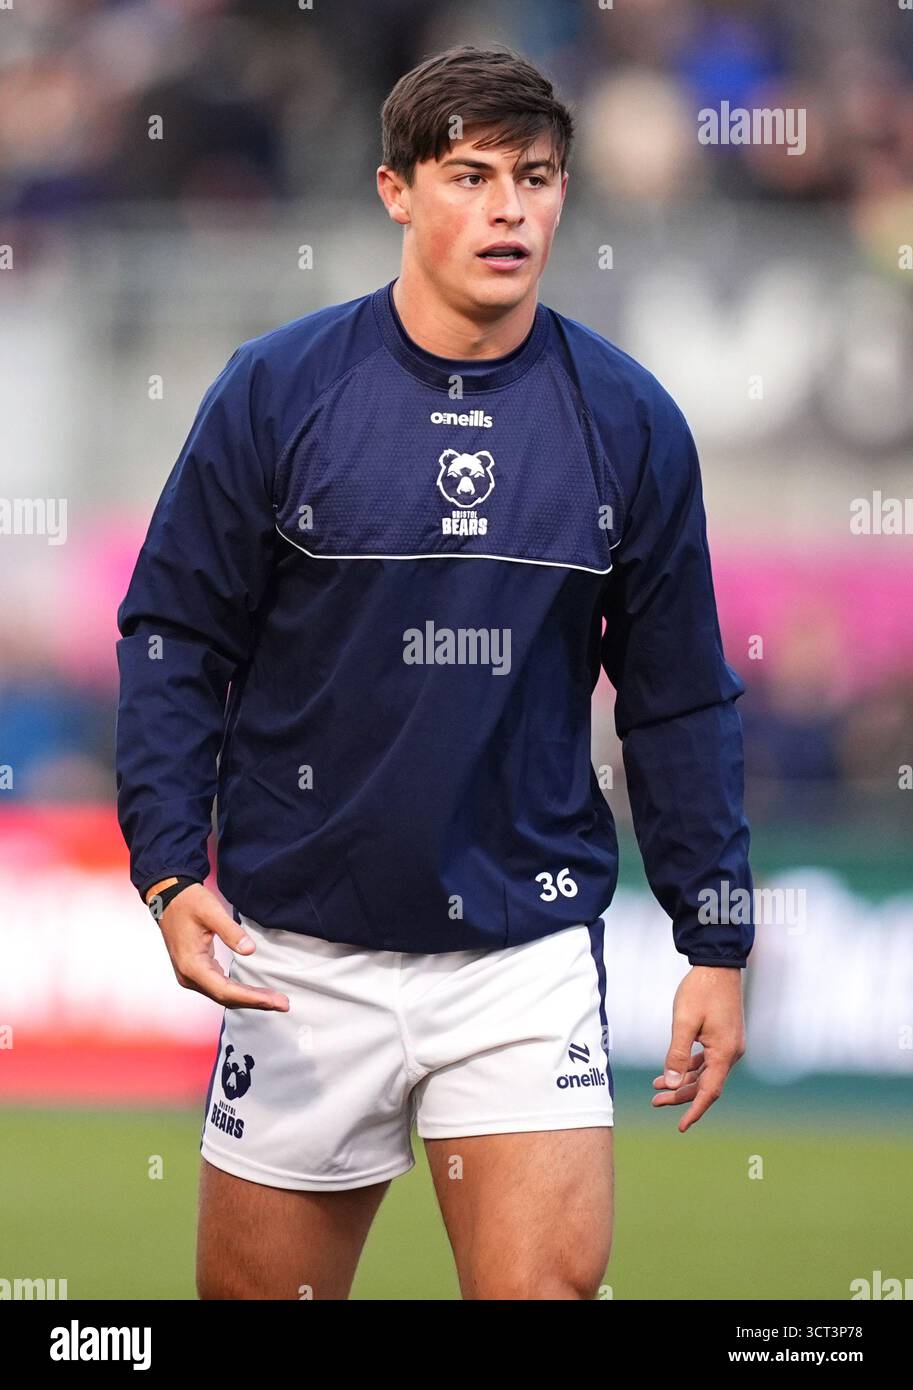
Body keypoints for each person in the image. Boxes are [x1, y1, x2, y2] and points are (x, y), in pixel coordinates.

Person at [115, 44, 752, 1301]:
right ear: (395, 191)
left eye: (536, 177)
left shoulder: (625, 421)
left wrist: (715, 937)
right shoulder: (277, 392)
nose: (509, 208)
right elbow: (176, 638)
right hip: (296, 955)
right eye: (469, 174)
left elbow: (679, 698)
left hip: (522, 955)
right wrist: (168, 867)